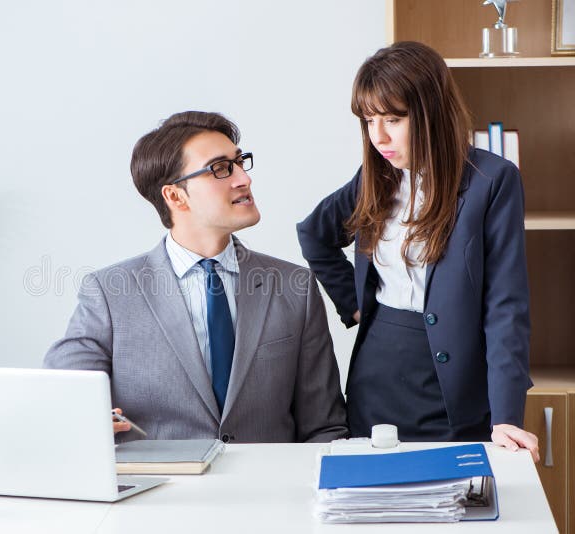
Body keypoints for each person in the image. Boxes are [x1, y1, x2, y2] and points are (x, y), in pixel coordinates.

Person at [297, 41, 539, 460]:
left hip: (457, 383)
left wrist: (506, 416)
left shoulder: (491, 180)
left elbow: (506, 305)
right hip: (379, 374)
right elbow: (314, 234)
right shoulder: (375, 177)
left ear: (431, 112)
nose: (379, 136)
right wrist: (356, 304)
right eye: (369, 120)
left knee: (456, 507)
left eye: (393, 118)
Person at [45, 111, 348, 443]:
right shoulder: (109, 293)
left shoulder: (296, 288)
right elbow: (65, 393)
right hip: (162, 490)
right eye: (220, 169)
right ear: (175, 196)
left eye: (239, 162)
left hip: (269, 490)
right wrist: (83, 414)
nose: (243, 179)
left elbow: (324, 428)